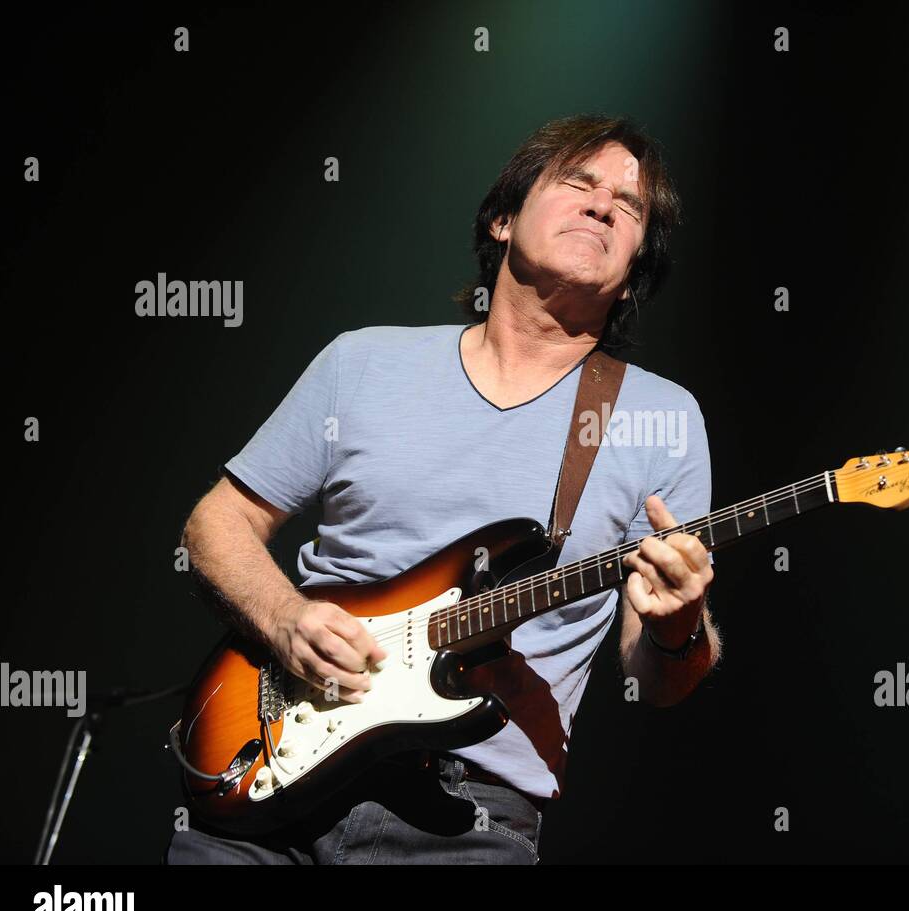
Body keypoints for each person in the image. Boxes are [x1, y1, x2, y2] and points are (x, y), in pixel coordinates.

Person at [166, 114, 722, 864]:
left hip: (466, 818)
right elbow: (217, 521)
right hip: (269, 768)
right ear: (501, 219)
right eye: (579, 183)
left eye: (630, 206)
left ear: (634, 271)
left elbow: (657, 677)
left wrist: (679, 624)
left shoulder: (662, 417)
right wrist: (287, 618)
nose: (603, 205)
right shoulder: (361, 363)